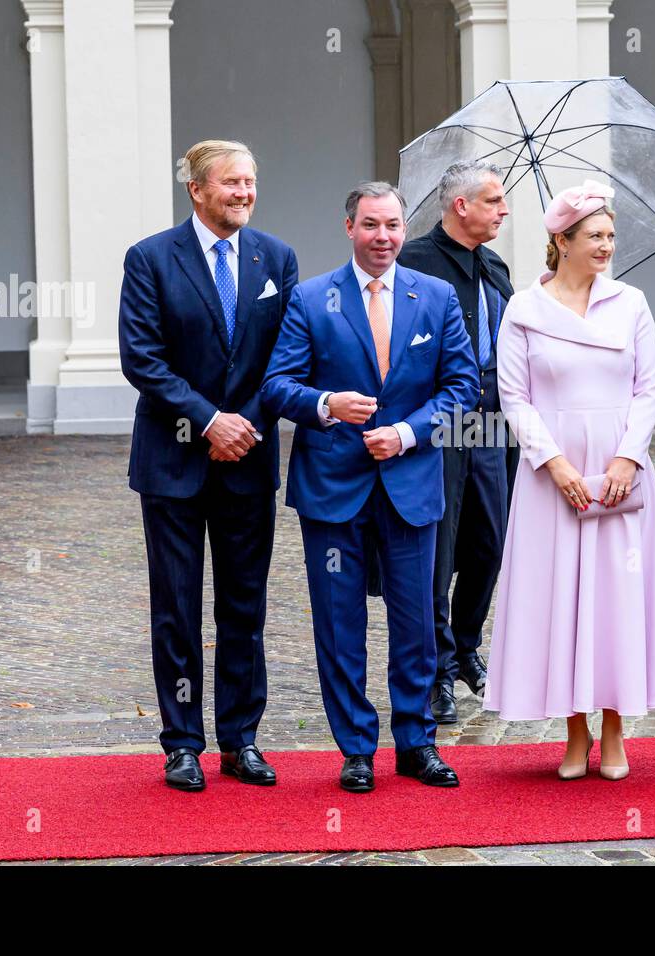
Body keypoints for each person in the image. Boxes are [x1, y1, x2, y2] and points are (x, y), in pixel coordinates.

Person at [259, 182, 478, 793]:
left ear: (405, 229)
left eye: (393, 226)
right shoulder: (309, 299)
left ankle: (416, 743)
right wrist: (327, 403)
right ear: (349, 227)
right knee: (338, 623)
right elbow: (276, 386)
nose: (383, 237)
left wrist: (407, 434)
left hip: (410, 484)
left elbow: (462, 389)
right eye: (371, 225)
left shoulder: (434, 297)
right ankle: (356, 747)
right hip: (333, 487)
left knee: (415, 623)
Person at [483, 180, 655, 781]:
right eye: (595, 236)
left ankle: (615, 728)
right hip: (553, 475)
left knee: (615, 598)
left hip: (621, 468)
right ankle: (574, 731)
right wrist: (555, 464)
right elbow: (513, 396)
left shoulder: (632, 303)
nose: (607, 245)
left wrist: (628, 458)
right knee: (561, 599)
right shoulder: (524, 309)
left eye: (610, 236)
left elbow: (649, 386)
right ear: (562, 241)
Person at [118, 139, 298, 792]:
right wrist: (208, 421)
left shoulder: (275, 259)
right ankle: (182, 744)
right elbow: (142, 358)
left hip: (247, 461)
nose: (244, 193)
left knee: (244, 608)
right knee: (176, 607)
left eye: (250, 182)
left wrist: (240, 424)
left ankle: (240, 739)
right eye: (231, 183)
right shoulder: (150, 260)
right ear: (196, 190)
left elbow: (286, 355)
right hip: (173, 463)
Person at [397, 160, 516, 723]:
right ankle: (439, 670)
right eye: (494, 200)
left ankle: (467, 645)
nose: (504, 209)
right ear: (461, 206)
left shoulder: (494, 265)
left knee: (489, 546)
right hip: (439, 422)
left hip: (491, 423)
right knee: (438, 553)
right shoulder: (415, 261)